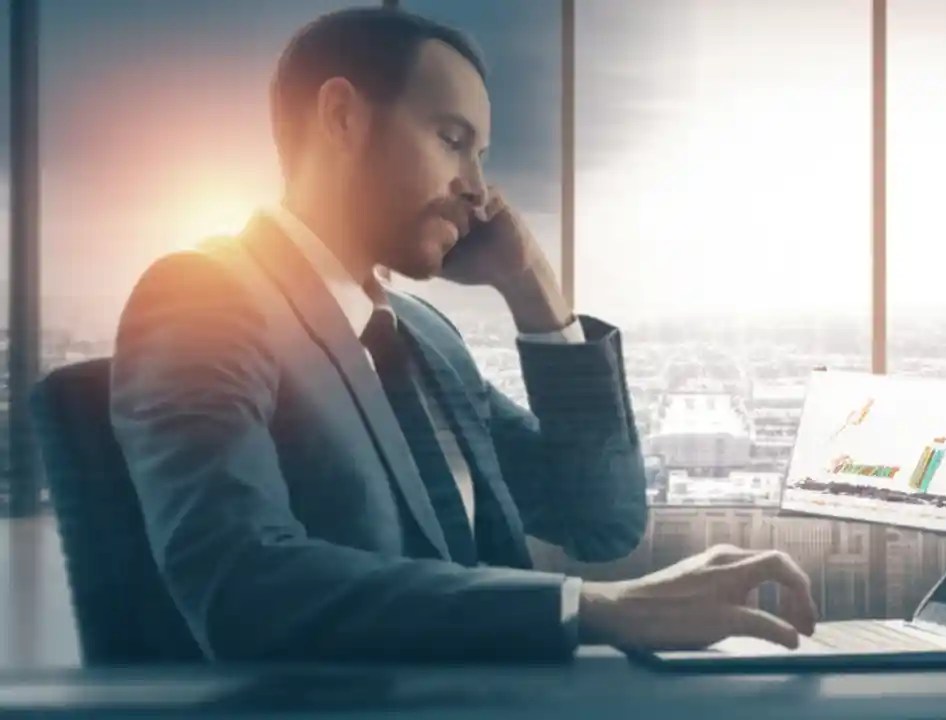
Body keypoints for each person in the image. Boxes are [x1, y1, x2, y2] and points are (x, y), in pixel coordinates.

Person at [110, 7, 816, 663]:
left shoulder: (422, 335)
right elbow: (244, 586)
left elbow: (600, 518)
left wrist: (534, 289)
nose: (479, 189)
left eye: (482, 154)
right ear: (342, 117)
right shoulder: (205, 295)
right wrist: (594, 608)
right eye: (452, 140)